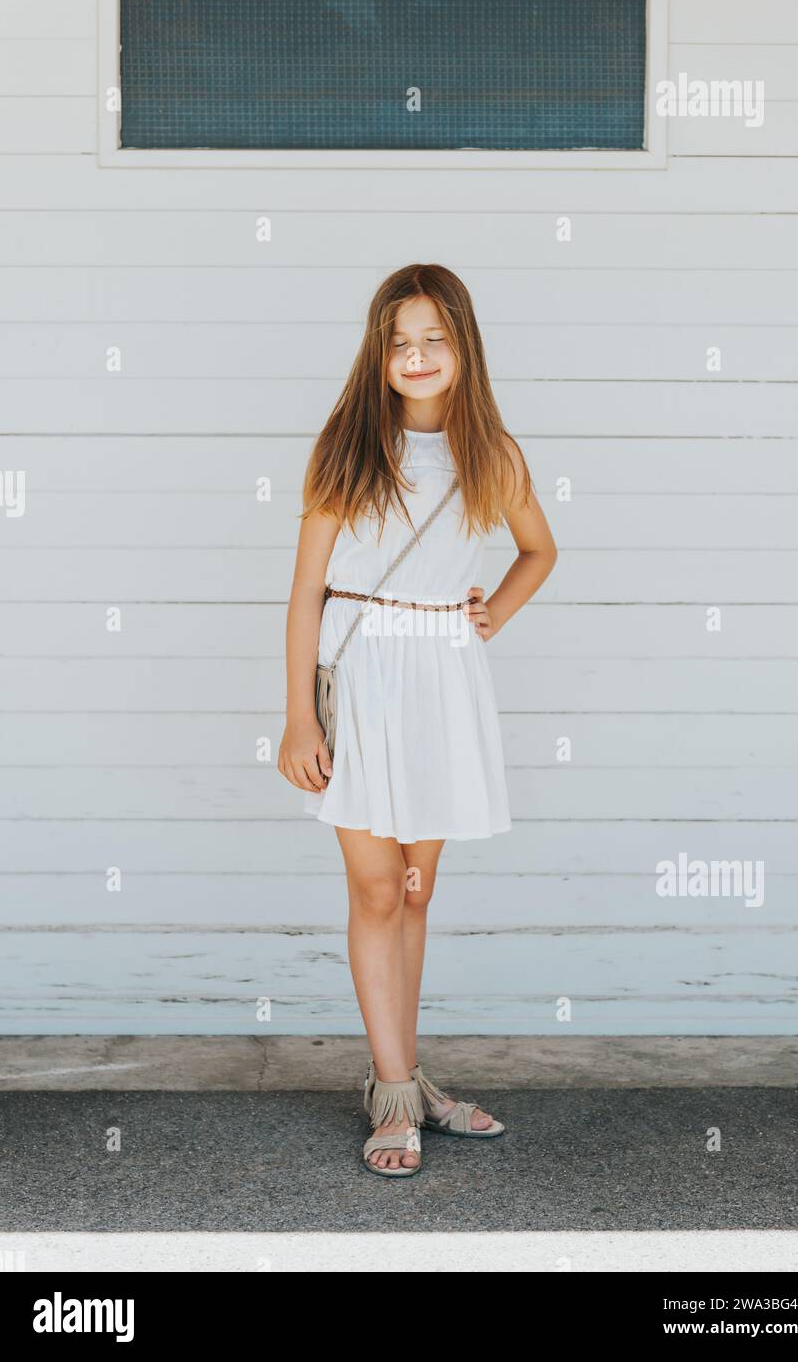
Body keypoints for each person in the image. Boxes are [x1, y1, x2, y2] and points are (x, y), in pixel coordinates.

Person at [278, 263, 557, 1177]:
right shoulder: (349, 448)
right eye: (399, 341)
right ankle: (394, 1095)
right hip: (361, 681)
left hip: (443, 675)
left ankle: (403, 1072)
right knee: (370, 887)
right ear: (379, 354)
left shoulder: (492, 455)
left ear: (462, 345)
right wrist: (297, 720)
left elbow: (538, 549)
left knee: (413, 889)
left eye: (434, 337)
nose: (417, 355)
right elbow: (304, 596)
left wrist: (491, 614)